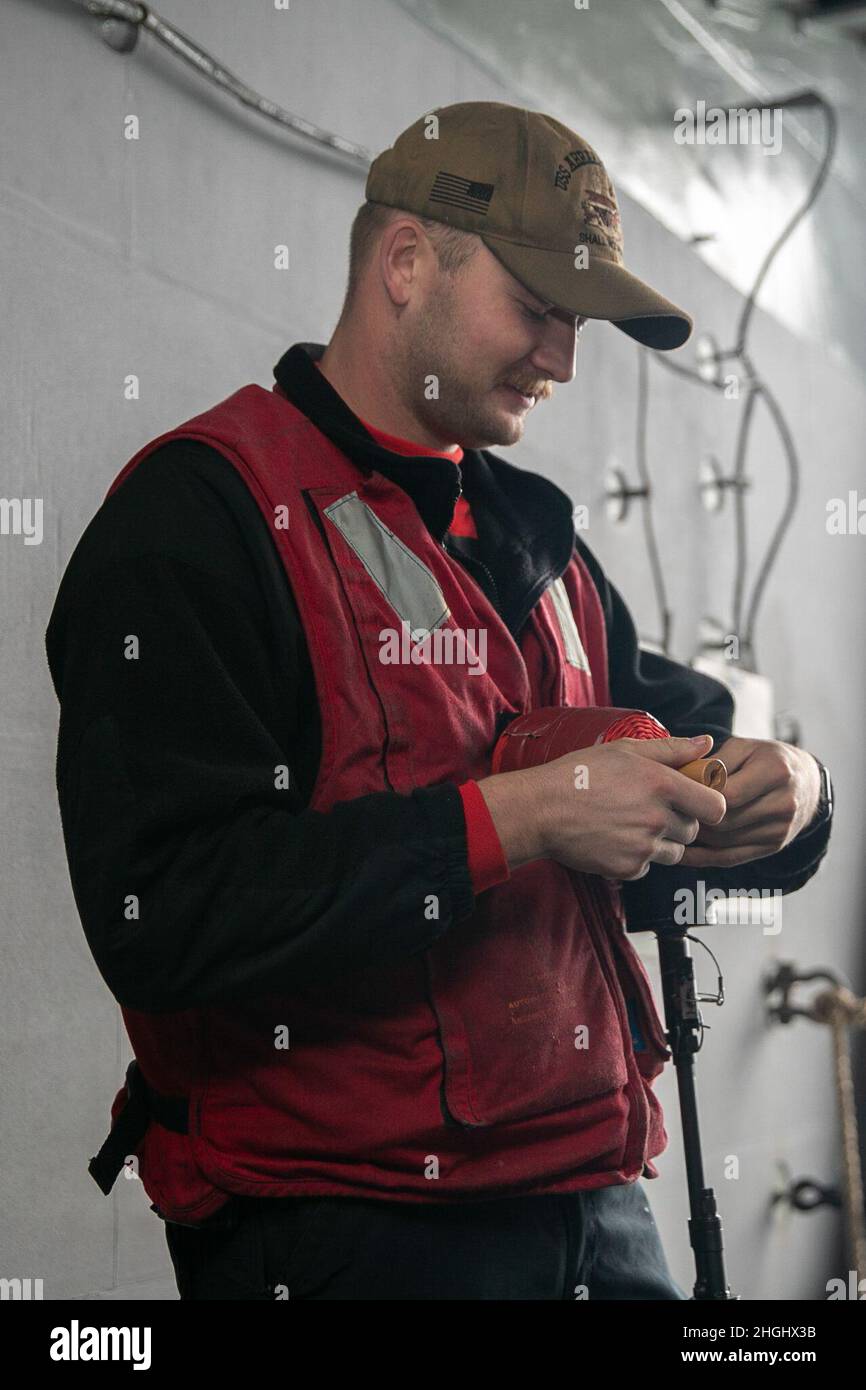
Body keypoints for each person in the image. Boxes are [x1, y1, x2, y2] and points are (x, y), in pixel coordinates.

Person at [45, 101, 833, 1300]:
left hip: (595, 1206)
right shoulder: (198, 523)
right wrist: (525, 817)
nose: (563, 360)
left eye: (575, 322)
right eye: (536, 309)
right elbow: (164, 914)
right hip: (344, 1233)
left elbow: (694, 788)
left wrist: (790, 793)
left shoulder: (545, 551)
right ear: (404, 265)